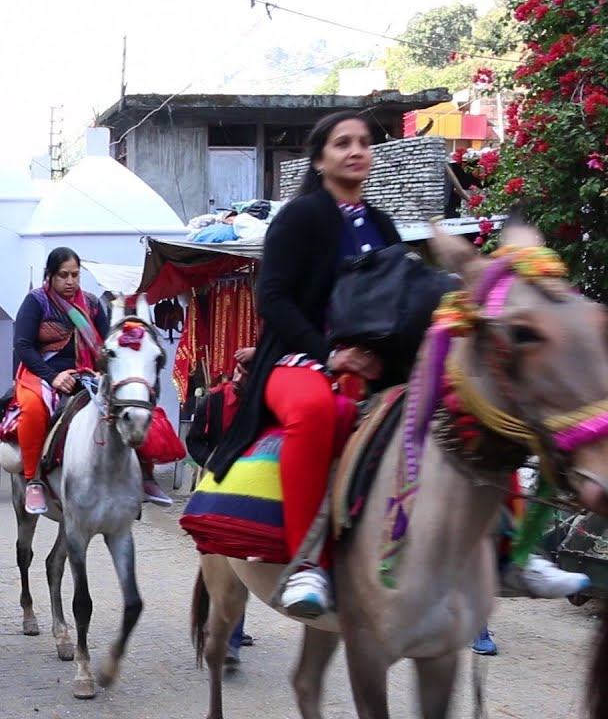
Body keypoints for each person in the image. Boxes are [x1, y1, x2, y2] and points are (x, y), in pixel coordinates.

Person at [207, 112, 588, 619]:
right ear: (320, 159)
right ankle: (307, 563)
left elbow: (393, 304)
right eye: (342, 143)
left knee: (479, 407)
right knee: (318, 411)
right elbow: (272, 298)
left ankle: (509, 553)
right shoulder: (299, 217)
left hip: (376, 365)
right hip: (298, 360)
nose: (355, 151)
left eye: (364, 142)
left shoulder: (381, 223)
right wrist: (331, 354)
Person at [13, 246, 173, 515]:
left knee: (132, 404)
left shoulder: (91, 303)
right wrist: (53, 377)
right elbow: (23, 346)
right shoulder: (36, 302)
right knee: (32, 409)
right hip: (44, 373)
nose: (70, 281)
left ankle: (145, 474)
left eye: (75, 275)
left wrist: (102, 370)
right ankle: (34, 480)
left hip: (87, 373)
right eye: (63, 275)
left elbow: (105, 344)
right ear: (50, 276)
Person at [186, 348, 256, 663]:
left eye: (249, 373)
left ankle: (233, 638)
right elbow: (194, 442)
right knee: (216, 559)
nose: (241, 378)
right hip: (214, 487)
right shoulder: (212, 401)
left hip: (250, 492)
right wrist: (211, 460)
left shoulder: (263, 404)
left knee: (242, 560)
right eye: (239, 371)